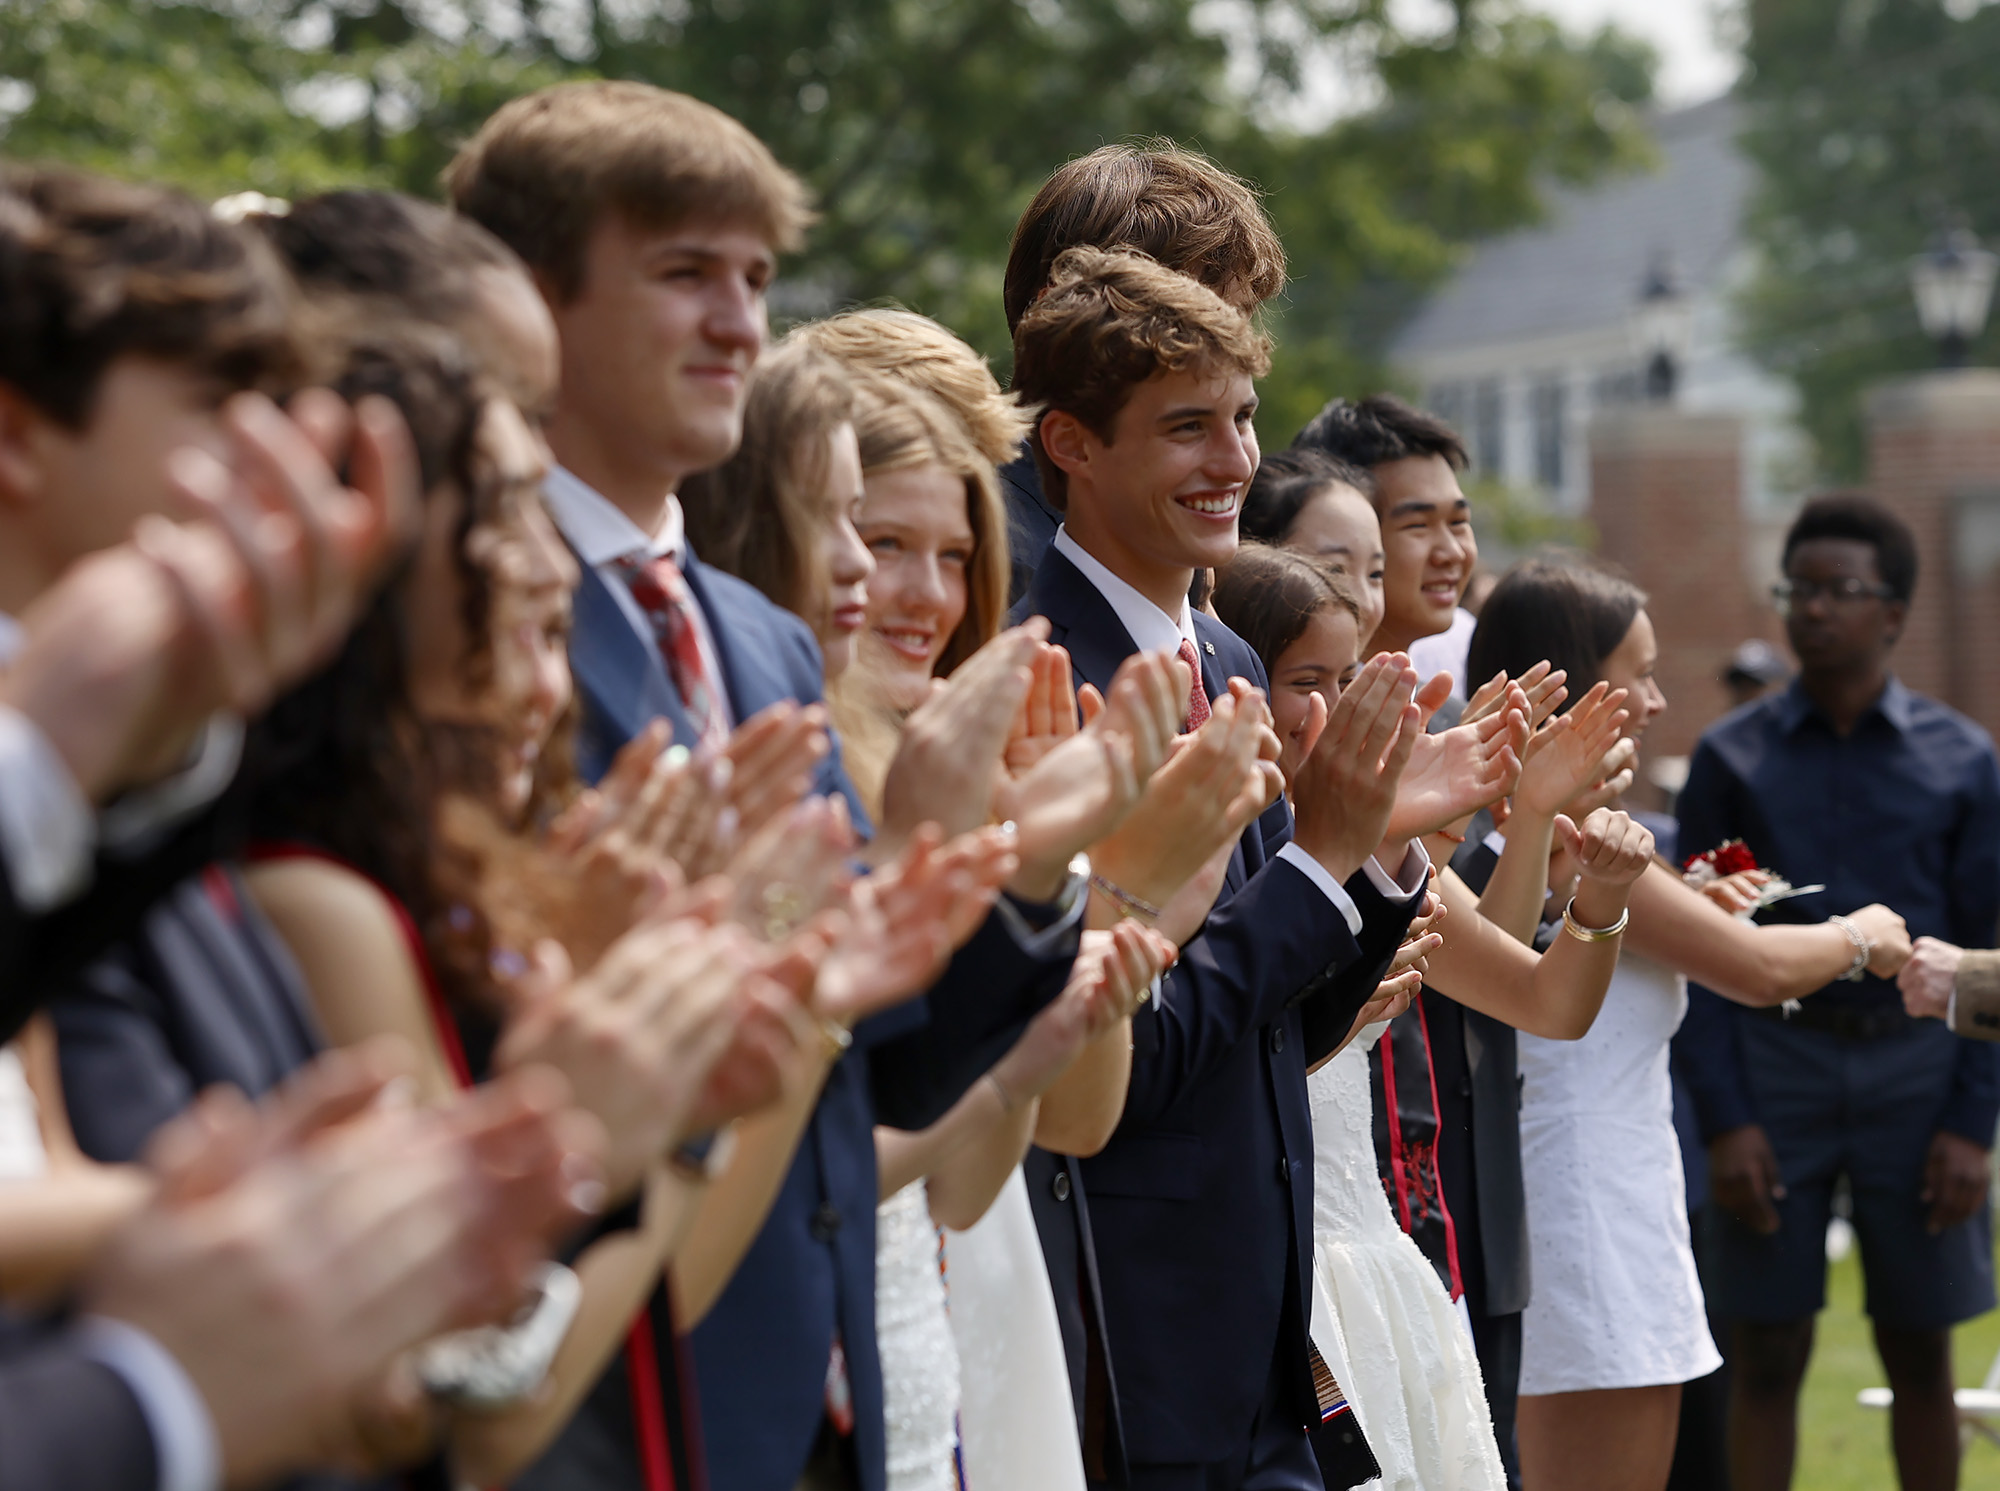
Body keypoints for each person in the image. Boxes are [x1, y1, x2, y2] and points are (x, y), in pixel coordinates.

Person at [449, 81, 1093, 1491]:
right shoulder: (466, 617)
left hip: (811, 1403)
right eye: (685, 273)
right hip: (581, 1397)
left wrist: (1023, 865)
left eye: (756, 276)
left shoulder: (762, 636)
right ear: (535, 297)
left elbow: (882, 1047)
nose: (741, 320)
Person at [1012, 245, 1440, 1490]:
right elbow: (1124, 1070)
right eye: (1186, 427)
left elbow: (1281, 1026)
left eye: (1243, 418)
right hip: (1135, 1347)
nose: (1234, 463)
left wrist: (1371, 862)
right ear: (1072, 446)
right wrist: (1321, 861)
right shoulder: (1049, 679)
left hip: (1268, 1342)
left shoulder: (1229, 664)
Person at [1212, 541, 1650, 1491]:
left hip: (1374, 1268)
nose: (1328, 712)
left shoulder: (1389, 847)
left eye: (1347, 677)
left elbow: (1547, 999)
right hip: (1265, 1271)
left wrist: (1601, 898)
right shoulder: (1204, 849)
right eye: (1303, 680)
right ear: (1231, 675)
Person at [1675, 493, 2000, 1491]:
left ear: (1893, 612)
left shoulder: (1962, 763)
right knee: (1762, 1351)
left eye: (1838, 592)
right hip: (1775, 1063)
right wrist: (1725, 1120)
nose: (1810, 610)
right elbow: (1704, 944)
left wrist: (1971, 1126)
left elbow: (1989, 948)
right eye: (1796, 590)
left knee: (1919, 1354)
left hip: (1921, 1069)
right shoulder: (1732, 762)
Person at [998, 142, 1287, 601]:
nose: (1221, 354)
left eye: (1234, 321)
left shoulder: (1182, 551)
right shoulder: (992, 558)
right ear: (1067, 313)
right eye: (1184, 324)